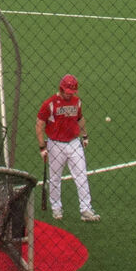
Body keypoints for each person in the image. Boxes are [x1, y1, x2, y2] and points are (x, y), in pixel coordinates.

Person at [35, 73, 98, 222]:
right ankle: (56, 208)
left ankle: (86, 209)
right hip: (55, 144)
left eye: (72, 92)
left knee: (81, 175)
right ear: (61, 89)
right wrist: (42, 147)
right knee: (55, 178)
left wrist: (85, 135)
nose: (70, 95)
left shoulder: (77, 101)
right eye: (67, 92)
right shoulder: (50, 103)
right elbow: (39, 124)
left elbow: (80, 118)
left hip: (74, 143)